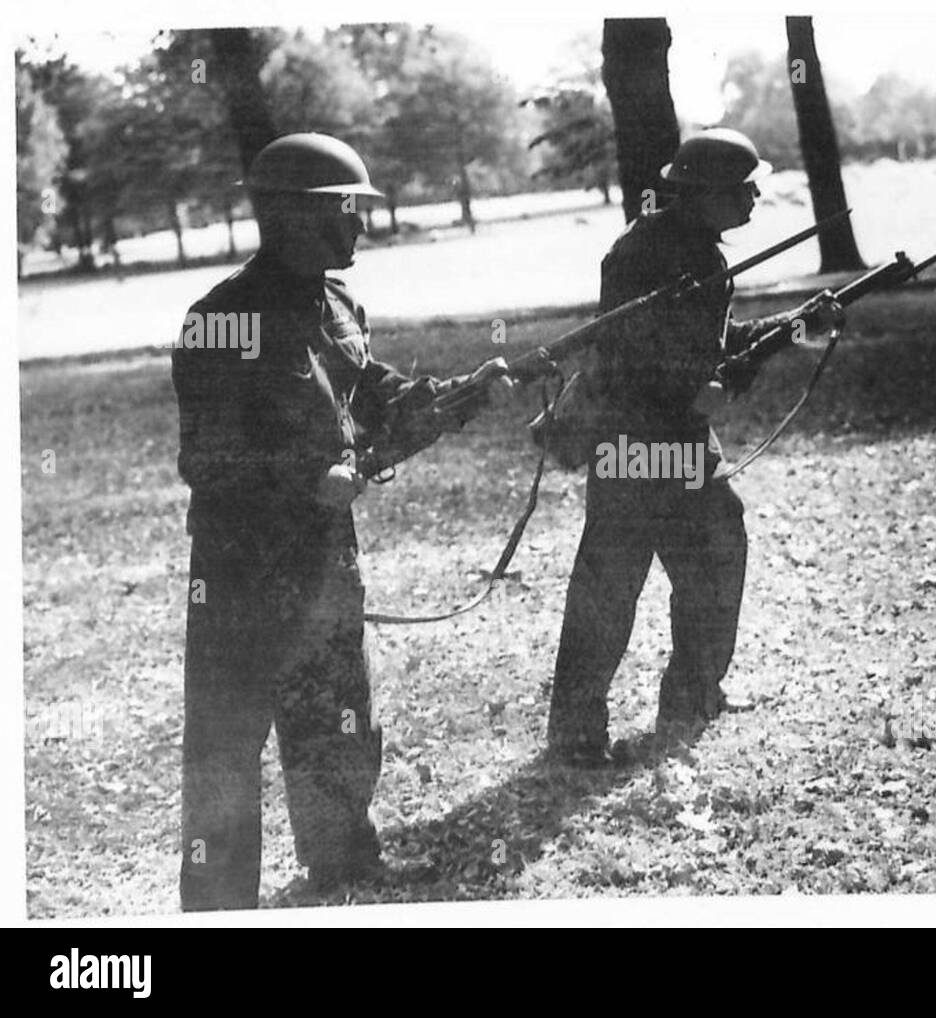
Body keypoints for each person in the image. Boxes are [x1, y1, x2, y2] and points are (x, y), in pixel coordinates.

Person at [172, 132, 507, 909]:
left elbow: (375, 396)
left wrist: (459, 395)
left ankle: (345, 864)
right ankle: (218, 906)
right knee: (226, 749)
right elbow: (207, 461)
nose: (359, 226)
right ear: (291, 217)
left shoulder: (339, 304)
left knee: (339, 719)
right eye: (346, 211)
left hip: (327, 561)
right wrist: (305, 479)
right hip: (241, 577)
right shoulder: (218, 320)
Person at [545, 127, 842, 767]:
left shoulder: (702, 252)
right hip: (632, 440)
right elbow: (626, 348)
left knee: (714, 548)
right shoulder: (639, 254)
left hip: (676, 437)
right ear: (703, 192)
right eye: (744, 188)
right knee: (612, 579)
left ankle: (692, 697)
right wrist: (690, 386)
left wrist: (794, 326)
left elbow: (713, 339)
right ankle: (574, 733)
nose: (756, 197)